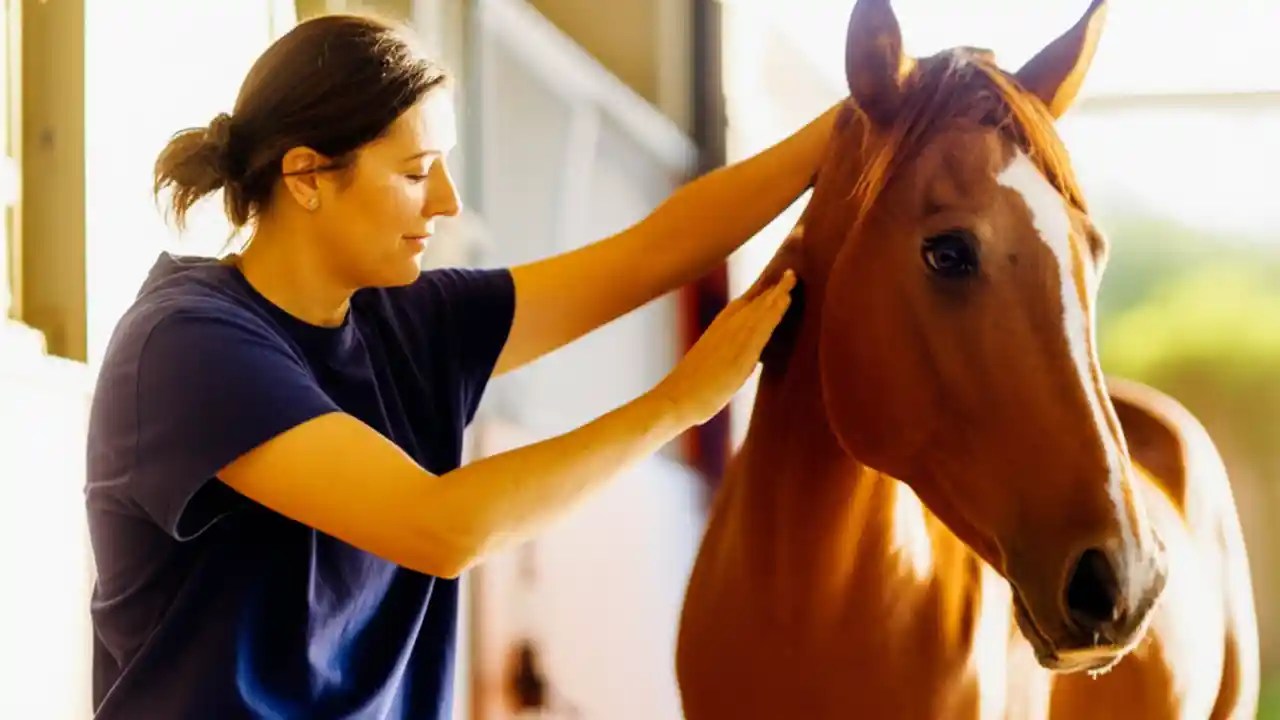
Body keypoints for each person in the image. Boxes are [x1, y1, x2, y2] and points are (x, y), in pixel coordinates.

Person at [85, 13, 833, 720]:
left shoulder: (408, 322)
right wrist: (677, 404)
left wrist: (849, 126)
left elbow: (652, 253)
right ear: (307, 176)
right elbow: (443, 528)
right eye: (416, 173)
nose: (446, 202)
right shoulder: (187, 347)